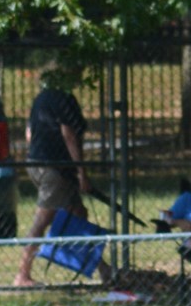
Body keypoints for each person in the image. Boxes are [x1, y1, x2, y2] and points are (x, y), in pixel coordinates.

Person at [14, 64, 115, 287]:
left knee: (78, 213)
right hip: (55, 169)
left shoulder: (41, 99)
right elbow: (69, 136)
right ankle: (22, 275)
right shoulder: (64, 99)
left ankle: (103, 269)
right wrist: (82, 173)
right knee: (42, 220)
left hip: (37, 163)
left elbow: (30, 134)